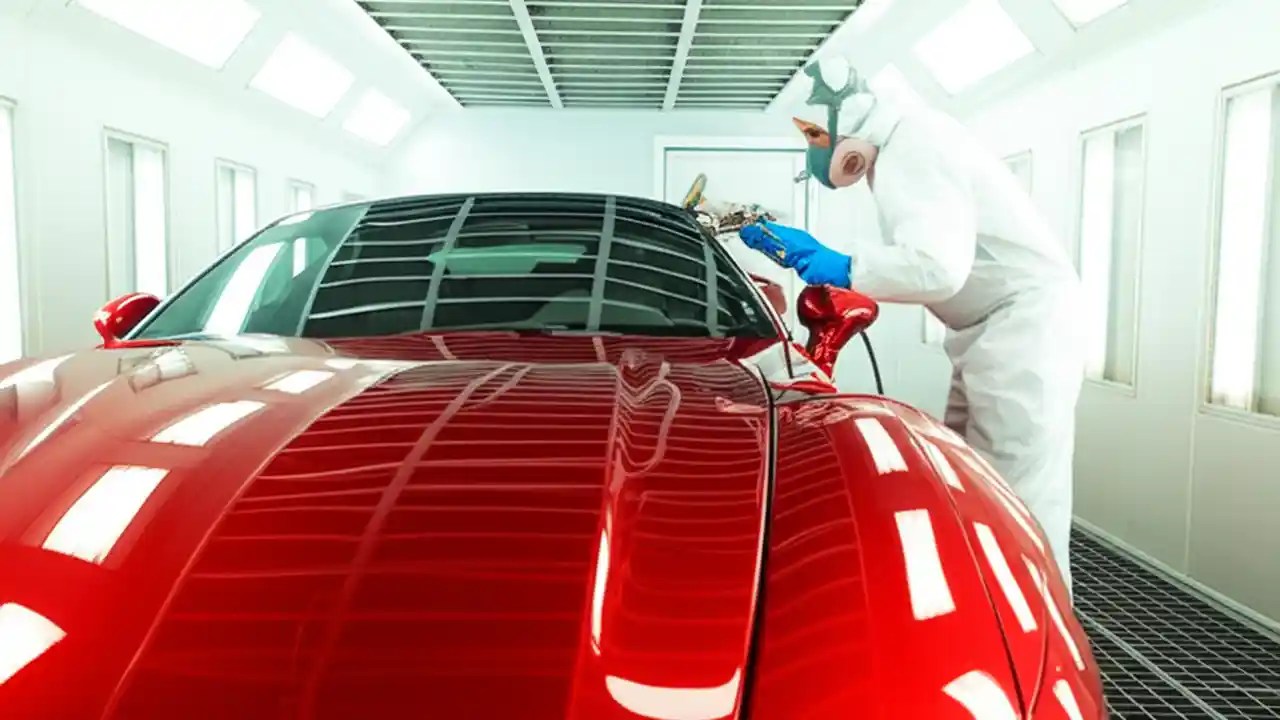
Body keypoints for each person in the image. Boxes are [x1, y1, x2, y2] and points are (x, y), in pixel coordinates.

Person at [741, 58, 1084, 591]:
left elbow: (937, 268)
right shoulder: (904, 146)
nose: (813, 149)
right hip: (989, 329)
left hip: (1024, 326)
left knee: (1017, 491)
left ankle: (1039, 637)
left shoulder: (915, 143)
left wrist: (842, 265)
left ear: (844, 116)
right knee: (974, 477)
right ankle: (985, 608)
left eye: (813, 134)